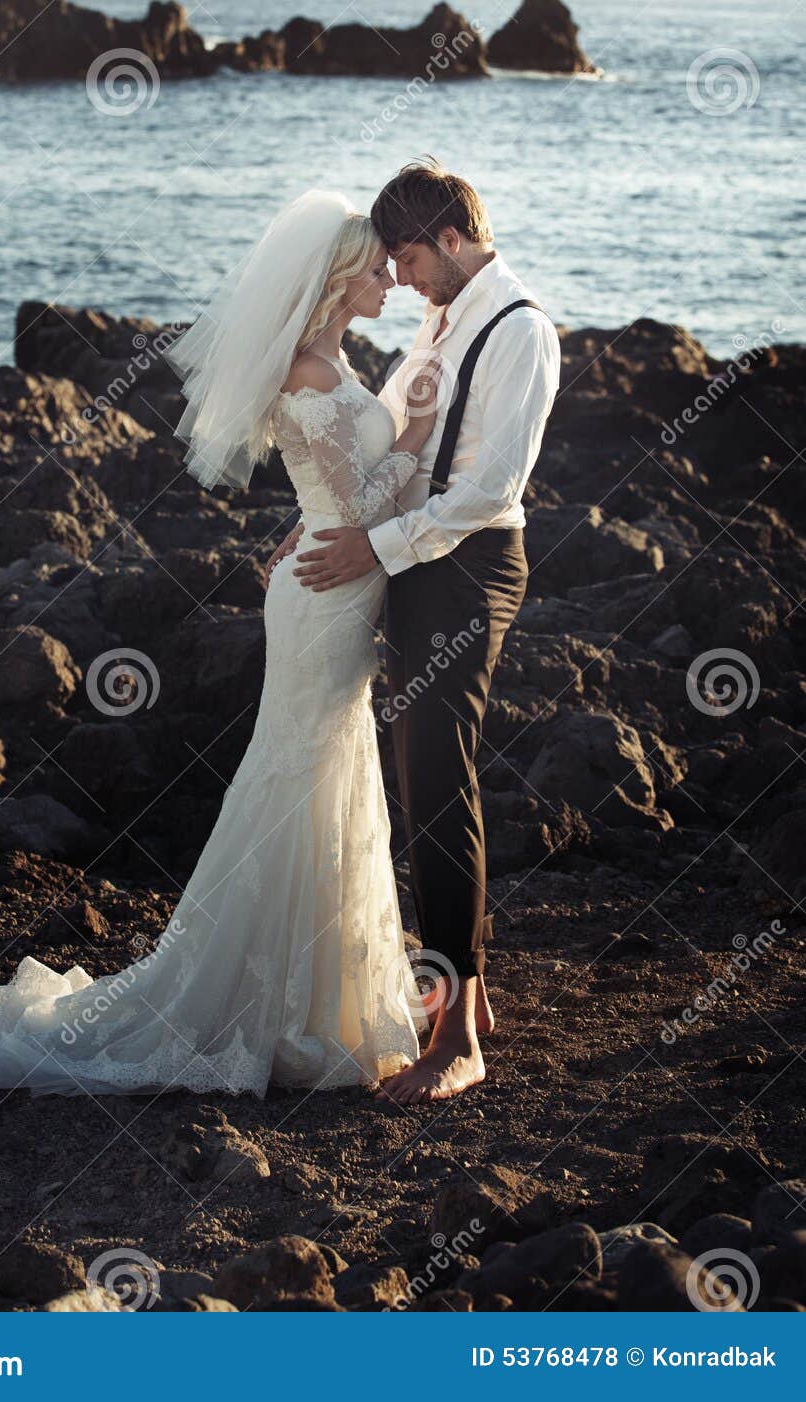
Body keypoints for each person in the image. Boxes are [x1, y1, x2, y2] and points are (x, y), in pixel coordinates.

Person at [0, 190, 441, 1098]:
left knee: (325, 771)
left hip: (326, 580)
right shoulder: (312, 377)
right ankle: (286, 1005)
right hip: (325, 596)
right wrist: (427, 429)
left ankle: (333, 996)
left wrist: (303, 520)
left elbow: (329, 490)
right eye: (375, 268)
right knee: (303, 777)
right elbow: (365, 503)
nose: (390, 279)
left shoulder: (326, 363)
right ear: (337, 278)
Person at [271, 161, 560, 1103]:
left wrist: (374, 547)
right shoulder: (444, 316)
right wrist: (324, 520)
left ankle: (455, 1045)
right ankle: (465, 1003)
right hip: (411, 555)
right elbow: (395, 427)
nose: (396, 278)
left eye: (403, 256)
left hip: (469, 564)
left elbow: (487, 491)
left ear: (444, 236)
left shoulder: (519, 328)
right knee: (418, 773)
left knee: (437, 778)